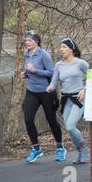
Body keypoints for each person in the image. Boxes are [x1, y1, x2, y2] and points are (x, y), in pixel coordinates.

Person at [21, 31, 65, 163]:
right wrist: (26, 74)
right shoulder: (26, 54)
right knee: (28, 120)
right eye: (26, 40)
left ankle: (60, 148)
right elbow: (29, 71)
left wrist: (35, 71)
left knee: (51, 120)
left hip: (46, 91)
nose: (27, 42)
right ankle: (36, 149)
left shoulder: (44, 55)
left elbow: (51, 74)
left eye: (29, 40)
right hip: (32, 91)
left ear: (36, 41)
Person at [46, 38, 89, 164]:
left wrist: (84, 89)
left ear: (71, 49)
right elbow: (54, 81)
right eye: (60, 47)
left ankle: (83, 149)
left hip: (79, 99)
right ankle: (81, 150)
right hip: (66, 100)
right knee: (69, 127)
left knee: (70, 126)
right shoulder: (58, 65)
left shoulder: (81, 63)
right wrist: (50, 88)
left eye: (64, 47)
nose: (61, 49)